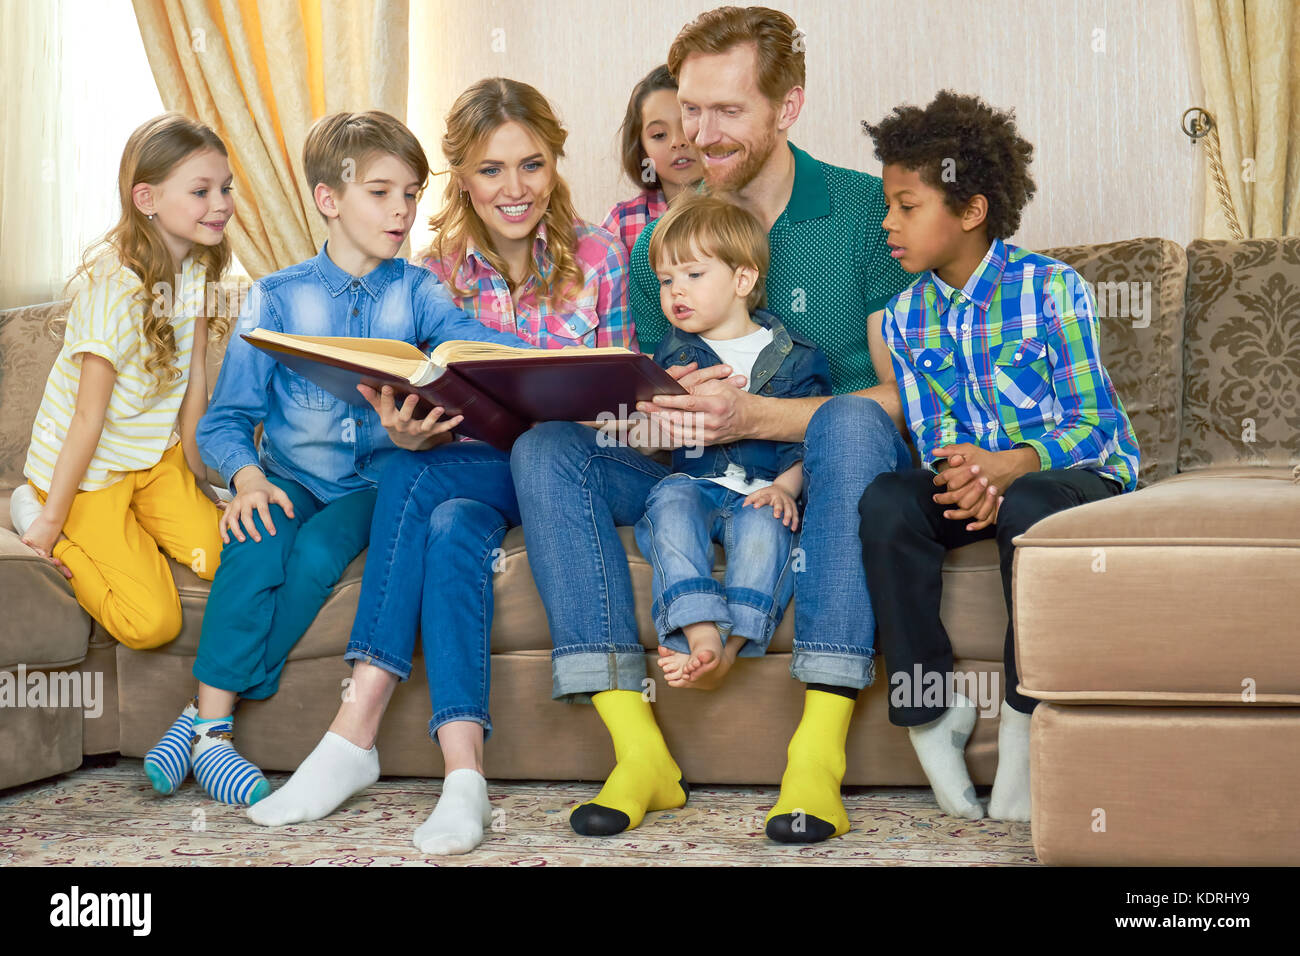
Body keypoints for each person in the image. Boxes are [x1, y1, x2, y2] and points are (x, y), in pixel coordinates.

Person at [510, 5, 915, 843]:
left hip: (822, 459)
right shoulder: (662, 241)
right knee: (548, 447)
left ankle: (817, 753)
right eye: (691, 109)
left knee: (848, 421)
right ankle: (638, 751)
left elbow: (903, 398)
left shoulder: (863, 215)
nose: (700, 133)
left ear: (788, 107)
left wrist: (758, 415)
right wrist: (646, 418)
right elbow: (646, 398)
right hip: (689, 473)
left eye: (728, 111)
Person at [246, 78, 632, 855]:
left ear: (556, 161)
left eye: (532, 164)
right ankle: (465, 781)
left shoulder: (600, 255)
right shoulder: (433, 272)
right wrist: (409, 426)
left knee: (414, 481)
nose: (514, 189)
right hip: (478, 469)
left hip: (576, 463)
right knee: (443, 510)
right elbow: (431, 391)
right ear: (462, 178)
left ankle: (355, 731)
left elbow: (622, 395)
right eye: (491, 170)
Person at [142, 110, 538, 807]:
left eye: (412, 193)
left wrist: (553, 367)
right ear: (330, 199)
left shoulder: (420, 291)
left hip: (376, 484)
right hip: (289, 476)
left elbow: (474, 348)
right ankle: (210, 727)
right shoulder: (275, 296)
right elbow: (226, 420)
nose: (402, 210)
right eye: (381, 192)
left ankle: (202, 715)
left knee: (320, 554)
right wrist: (248, 477)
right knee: (254, 543)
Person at [858, 91, 1140, 823]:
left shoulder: (1052, 289)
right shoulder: (903, 316)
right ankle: (929, 716)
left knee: (1032, 500)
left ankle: (1024, 725)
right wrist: (973, 473)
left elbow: (1095, 425)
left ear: (971, 210)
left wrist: (1013, 463)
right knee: (888, 500)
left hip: (1065, 477)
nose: (886, 222)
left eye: (906, 205)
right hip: (981, 483)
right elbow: (935, 435)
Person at [9, 113, 231, 652]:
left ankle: (138, 520)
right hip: (94, 476)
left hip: (155, 462)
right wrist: (49, 522)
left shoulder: (198, 272)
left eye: (225, 188)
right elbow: (88, 417)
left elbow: (194, 379)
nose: (221, 203)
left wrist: (203, 483)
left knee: (226, 559)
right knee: (152, 622)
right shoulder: (113, 290)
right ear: (147, 199)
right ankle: (30, 507)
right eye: (200, 191)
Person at [631, 194, 829, 692]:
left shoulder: (796, 357)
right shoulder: (669, 357)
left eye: (693, 275)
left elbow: (808, 435)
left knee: (769, 527)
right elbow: (647, 435)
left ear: (743, 280)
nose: (676, 290)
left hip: (761, 488)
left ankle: (730, 647)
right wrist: (649, 424)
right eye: (666, 280)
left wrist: (786, 487)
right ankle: (700, 634)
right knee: (670, 499)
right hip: (694, 483)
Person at [602, 64, 702, 256]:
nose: (677, 142)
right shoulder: (622, 222)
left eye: (686, 124)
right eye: (659, 135)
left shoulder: (743, 206)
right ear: (642, 149)